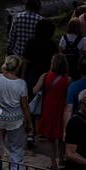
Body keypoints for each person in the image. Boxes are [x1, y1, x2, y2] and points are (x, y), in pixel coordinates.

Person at [0, 55, 32, 170]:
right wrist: (29, 122)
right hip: (16, 120)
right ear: (18, 68)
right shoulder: (21, 84)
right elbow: (24, 105)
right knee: (17, 148)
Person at [22, 17, 58, 146]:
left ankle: (30, 133)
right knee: (44, 104)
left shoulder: (31, 42)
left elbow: (26, 61)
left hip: (32, 75)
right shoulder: (52, 44)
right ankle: (41, 131)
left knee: (30, 104)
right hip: (47, 76)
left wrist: (22, 76)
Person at [32, 52, 70, 170]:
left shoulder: (45, 76)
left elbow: (34, 90)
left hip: (48, 110)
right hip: (62, 111)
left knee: (51, 139)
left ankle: (53, 163)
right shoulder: (67, 79)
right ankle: (62, 159)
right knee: (61, 137)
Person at [62, 56, 86, 130]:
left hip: (77, 128)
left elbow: (69, 110)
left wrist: (66, 130)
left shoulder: (73, 86)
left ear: (79, 69)